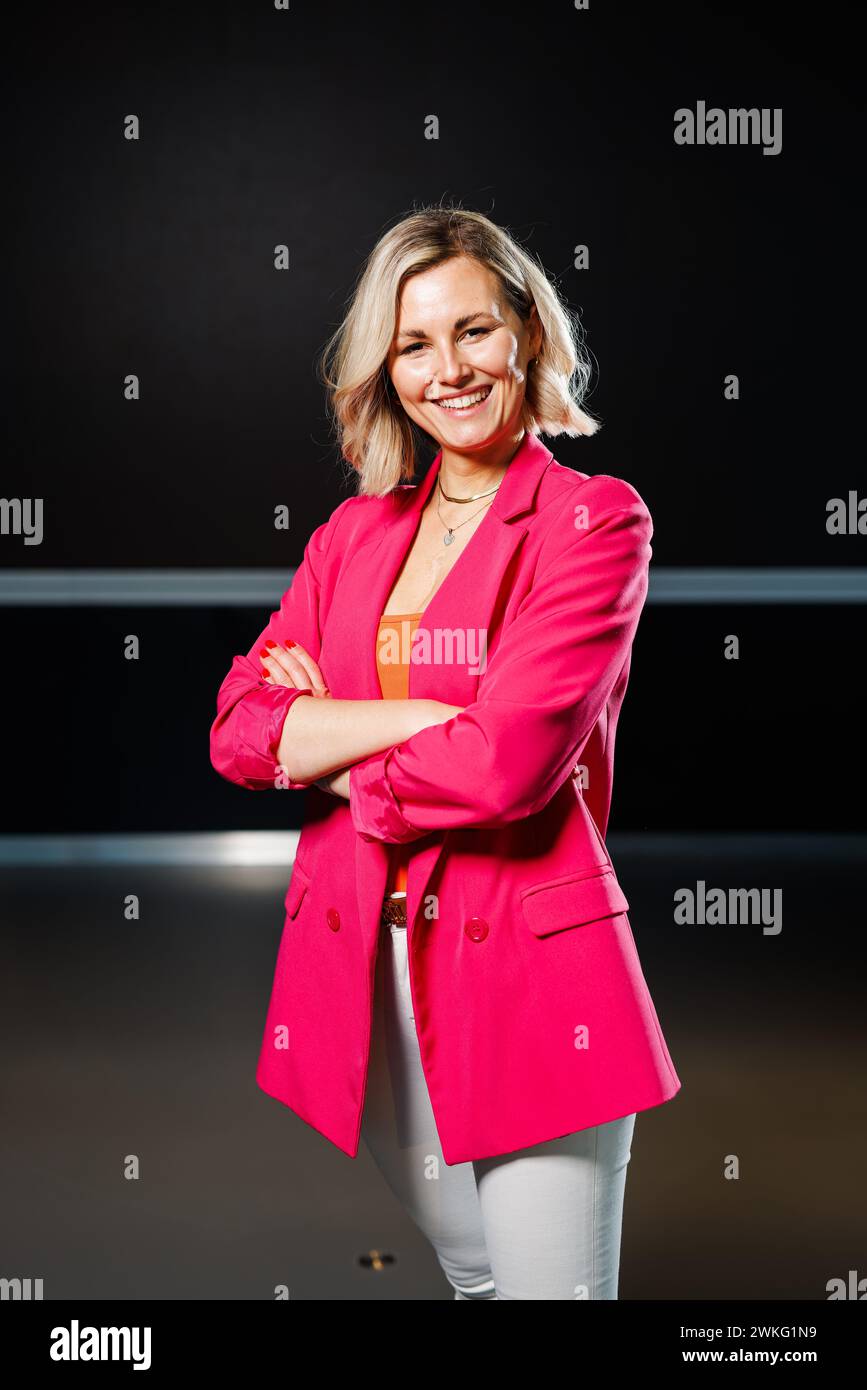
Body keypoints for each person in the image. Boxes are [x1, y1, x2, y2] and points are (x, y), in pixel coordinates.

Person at [210, 205, 681, 1300]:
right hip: (365, 981)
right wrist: (429, 722)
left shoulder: (593, 523)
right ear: (385, 366)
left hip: (528, 978)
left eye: (473, 331)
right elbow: (237, 729)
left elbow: (506, 767)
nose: (448, 370)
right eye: (415, 343)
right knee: (474, 1276)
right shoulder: (354, 533)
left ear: (524, 328)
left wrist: (324, 744)